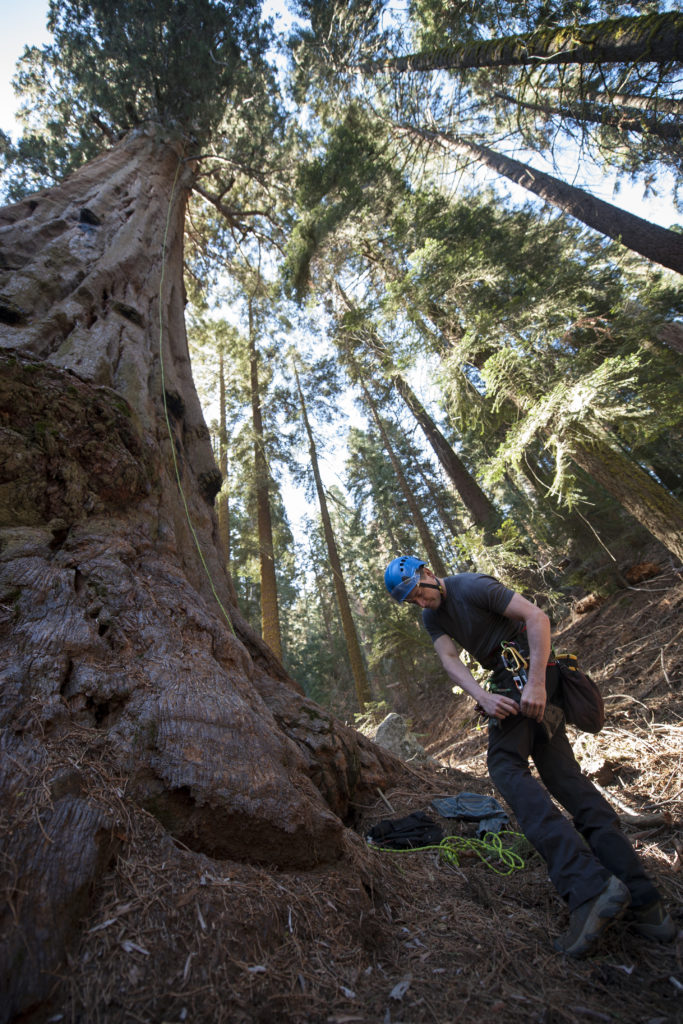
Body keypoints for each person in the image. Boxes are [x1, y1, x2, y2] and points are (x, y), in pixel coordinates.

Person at [384, 555, 676, 957]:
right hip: (512, 680)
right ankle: (645, 902)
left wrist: (535, 684)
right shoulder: (432, 618)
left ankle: (588, 887)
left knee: (504, 766)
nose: (418, 600)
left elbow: (537, 618)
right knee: (564, 779)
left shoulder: (472, 586)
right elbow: (450, 661)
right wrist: (483, 697)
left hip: (529, 672)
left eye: (418, 590)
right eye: (410, 599)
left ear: (429, 572)